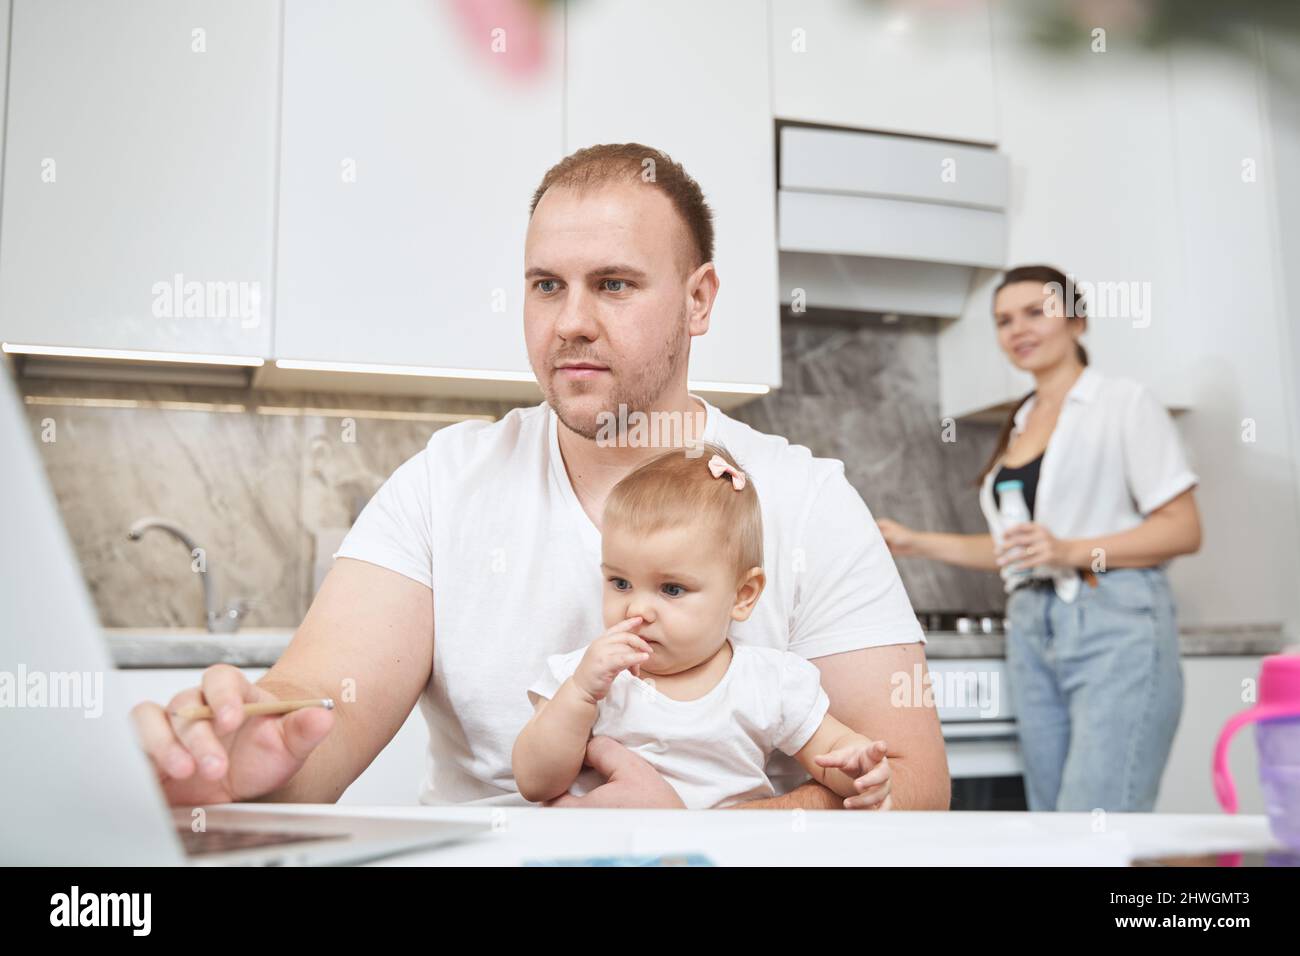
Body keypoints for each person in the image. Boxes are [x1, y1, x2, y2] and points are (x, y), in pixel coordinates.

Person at [132, 143, 949, 810]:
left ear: (699, 301)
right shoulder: (445, 480)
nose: (571, 323)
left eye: (615, 285)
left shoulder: (806, 501)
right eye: (546, 286)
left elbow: (915, 783)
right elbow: (320, 704)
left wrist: (718, 838)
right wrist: (246, 759)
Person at [877, 265, 1201, 811]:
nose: (1017, 329)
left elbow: (1184, 528)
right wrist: (914, 542)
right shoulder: (1022, 422)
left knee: (1096, 817)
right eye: (1003, 320)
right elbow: (1019, 553)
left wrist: (1072, 551)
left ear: (1077, 321)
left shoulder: (1124, 403)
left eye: (1036, 312)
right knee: (1053, 820)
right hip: (1031, 627)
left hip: (1113, 623)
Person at [513, 444, 894, 809]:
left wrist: (860, 771)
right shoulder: (587, 675)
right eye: (620, 583)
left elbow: (833, 755)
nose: (638, 607)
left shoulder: (768, 681)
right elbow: (535, 782)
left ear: (743, 595)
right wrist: (580, 692)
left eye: (672, 589)